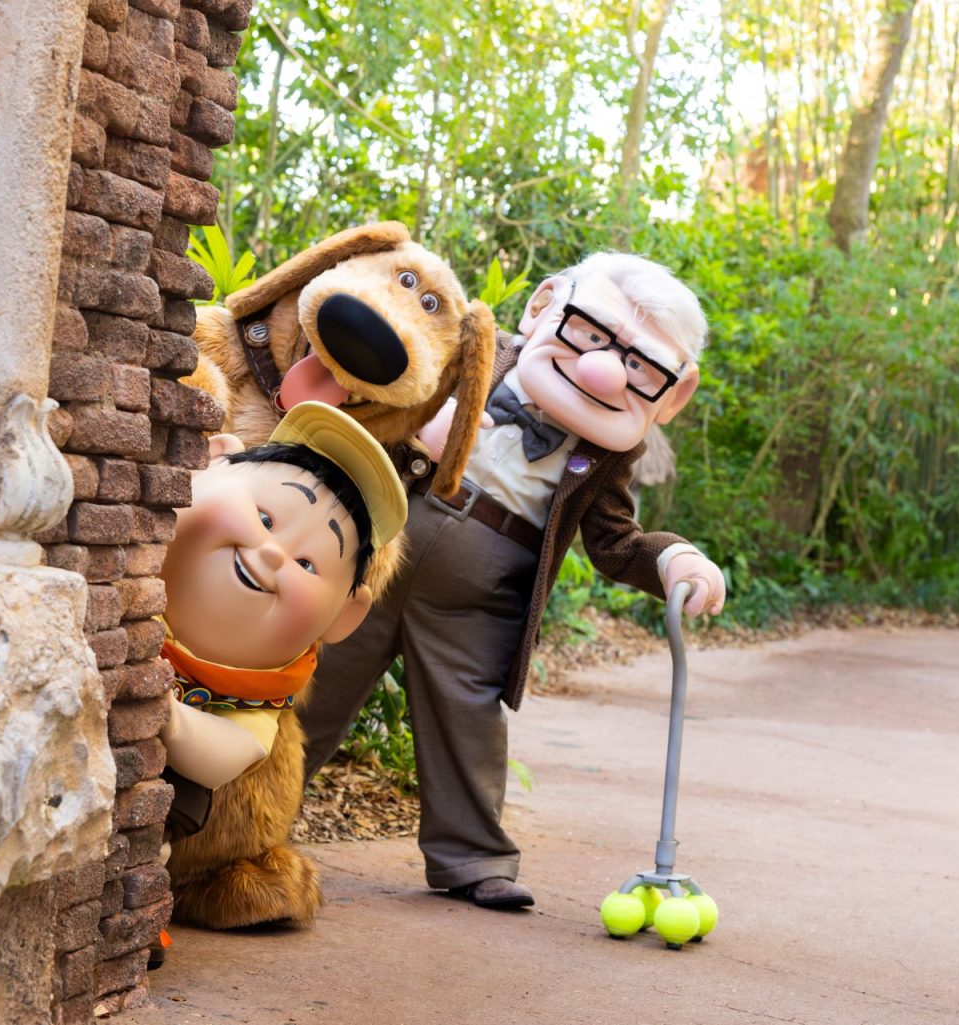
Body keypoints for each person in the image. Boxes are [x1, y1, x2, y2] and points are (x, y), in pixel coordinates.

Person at [300, 253, 727, 909]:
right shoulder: (474, 355)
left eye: (639, 365)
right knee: (314, 680)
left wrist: (674, 560)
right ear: (546, 304)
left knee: (467, 716)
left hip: (481, 594)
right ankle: (245, 813)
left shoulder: (612, 446)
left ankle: (473, 857)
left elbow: (616, 540)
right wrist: (417, 429)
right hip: (383, 543)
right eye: (591, 334)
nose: (603, 368)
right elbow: (377, 392)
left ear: (671, 390)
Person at [156, 401, 407, 835]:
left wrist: (166, 715)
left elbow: (226, 755)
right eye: (267, 518)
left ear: (345, 617)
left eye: (307, 564)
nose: (273, 553)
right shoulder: (116, 560)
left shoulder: (261, 692)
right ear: (209, 460)